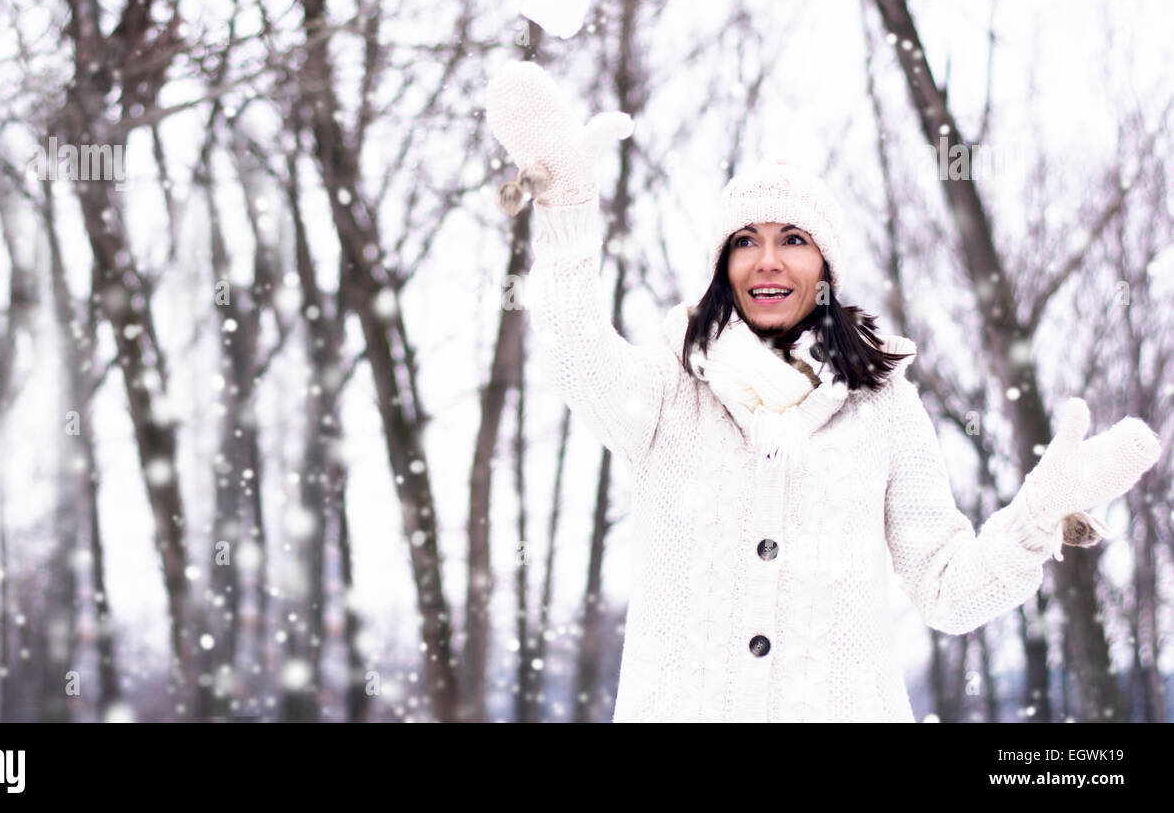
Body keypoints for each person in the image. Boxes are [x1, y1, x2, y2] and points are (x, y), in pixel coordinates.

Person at [485, 60, 1162, 723]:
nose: (768, 259)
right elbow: (574, 347)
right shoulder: (671, 386)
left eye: (794, 239)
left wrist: (1036, 519)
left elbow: (948, 590)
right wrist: (567, 208)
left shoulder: (883, 406)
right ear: (723, 267)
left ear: (826, 267)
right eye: (745, 240)